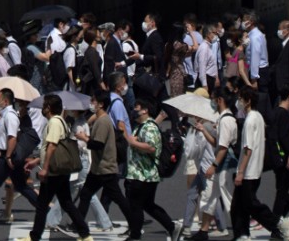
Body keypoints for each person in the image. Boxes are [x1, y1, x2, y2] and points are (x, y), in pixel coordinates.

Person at [15, 94, 92, 241]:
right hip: (58, 170)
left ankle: (34, 237)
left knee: (42, 205)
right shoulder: (59, 121)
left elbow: (52, 146)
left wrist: (44, 168)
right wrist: (37, 161)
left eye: (44, 105)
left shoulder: (55, 122)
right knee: (66, 203)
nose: (43, 108)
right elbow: (52, 148)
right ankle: (85, 234)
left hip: (53, 172)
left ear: (49, 108)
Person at [0, 89, 39, 225]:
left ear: (5, 100)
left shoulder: (10, 116)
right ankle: (44, 209)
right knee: (22, 186)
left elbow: (12, 138)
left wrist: (8, 157)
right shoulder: (4, 116)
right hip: (8, 156)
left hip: (8, 157)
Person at [75, 92, 132, 231]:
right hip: (98, 169)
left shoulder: (103, 121)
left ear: (101, 104)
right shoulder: (101, 120)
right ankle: (78, 225)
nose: (91, 103)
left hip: (105, 168)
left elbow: (98, 144)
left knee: (118, 198)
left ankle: (135, 223)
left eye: (93, 100)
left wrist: (84, 138)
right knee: (85, 194)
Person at [230, 85, 281, 240]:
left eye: (240, 99)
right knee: (238, 207)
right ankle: (241, 235)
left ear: (248, 101)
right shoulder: (258, 117)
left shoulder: (250, 121)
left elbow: (247, 149)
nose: (238, 102)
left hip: (248, 172)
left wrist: (240, 172)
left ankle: (276, 225)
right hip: (255, 170)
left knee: (251, 204)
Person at [123, 98, 177, 241]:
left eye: (137, 107)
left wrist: (133, 142)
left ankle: (135, 235)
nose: (135, 110)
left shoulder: (149, 127)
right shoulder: (143, 126)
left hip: (144, 174)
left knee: (135, 205)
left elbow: (151, 147)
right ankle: (171, 227)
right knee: (147, 205)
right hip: (140, 173)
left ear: (145, 110)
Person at [190, 88, 237, 241]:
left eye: (213, 98)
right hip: (221, 165)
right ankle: (203, 232)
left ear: (220, 100)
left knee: (228, 198)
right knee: (210, 197)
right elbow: (217, 143)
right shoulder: (222, 119)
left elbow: (223, 147)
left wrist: (213, 165)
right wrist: (204, 130)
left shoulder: (226, 120)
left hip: (224, 166)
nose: (212, 102)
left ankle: (241, 231)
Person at [271, 85, 289, 235]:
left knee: (282, 192)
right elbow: (283, 137)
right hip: (283, 159)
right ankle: (275, 221)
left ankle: (276, 223)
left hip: (277, 158)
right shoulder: (283, 114)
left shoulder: (276, 112)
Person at [241, 12, 272, 107]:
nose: (243, 22)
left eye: (244, 20)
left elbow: (255, 57)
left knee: (260, 99)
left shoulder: (255, 36)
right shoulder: (255, 35)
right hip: (260, 71)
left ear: (251, 22)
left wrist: (254, 79)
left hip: (259, 72)